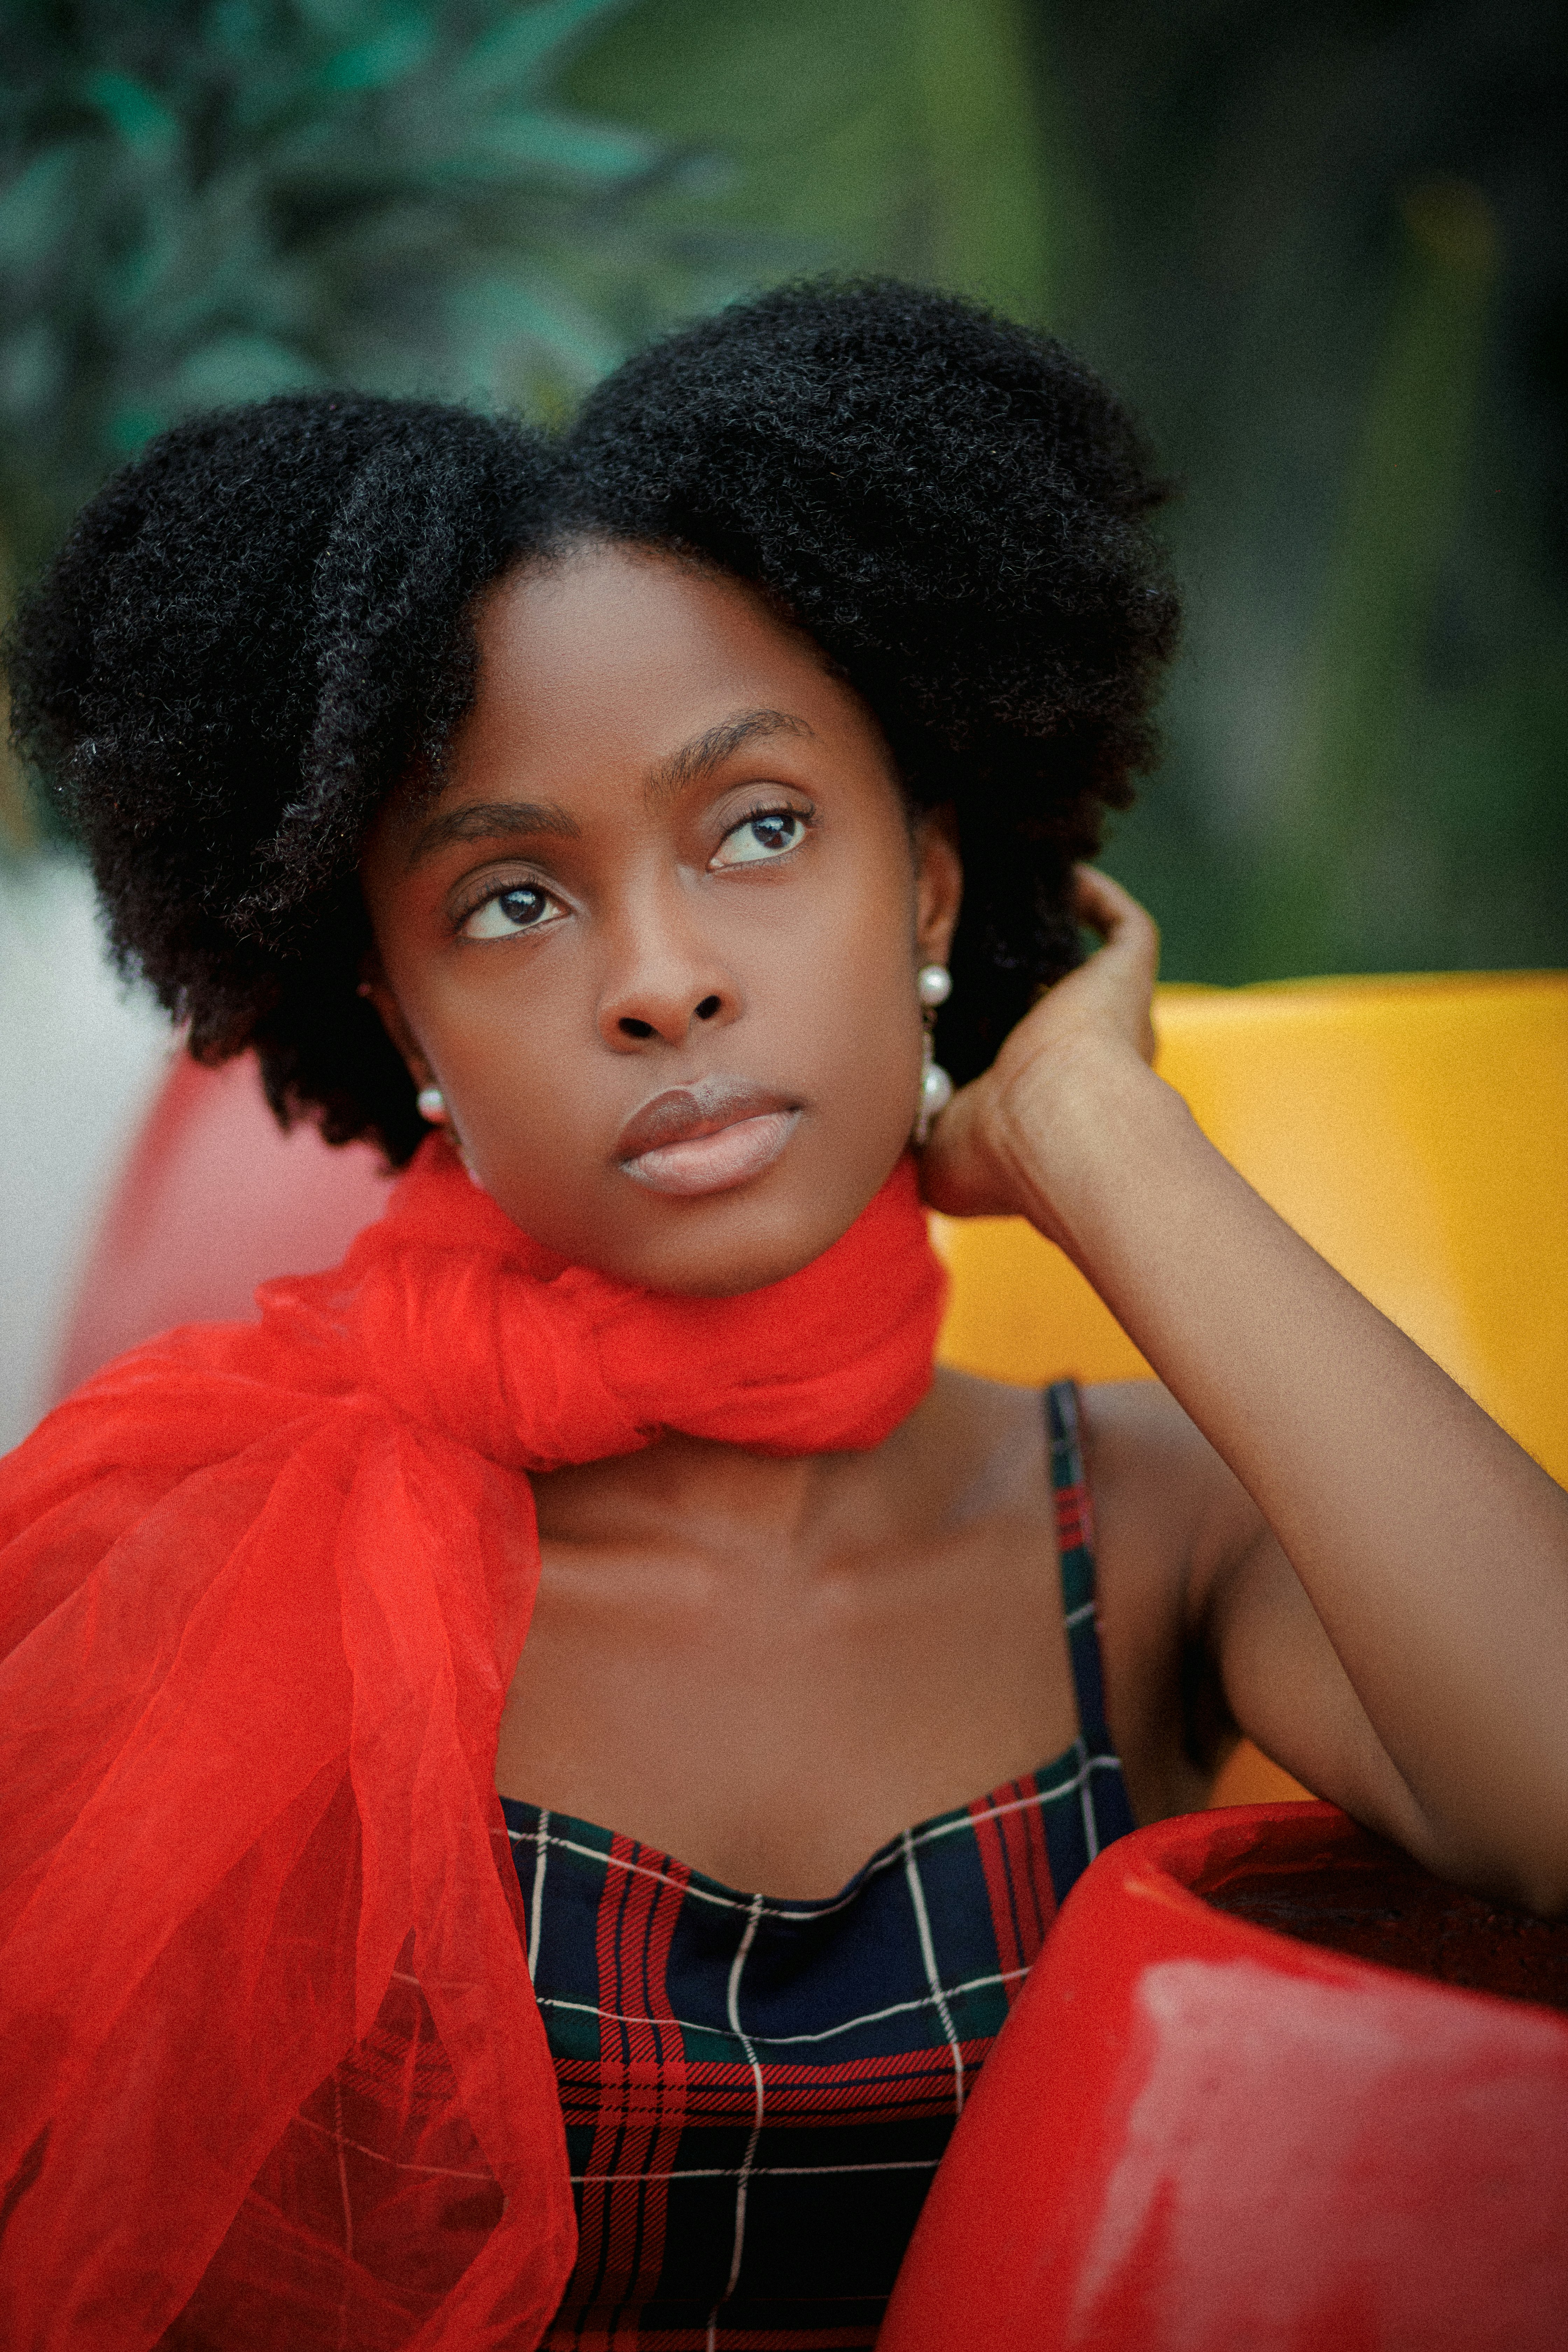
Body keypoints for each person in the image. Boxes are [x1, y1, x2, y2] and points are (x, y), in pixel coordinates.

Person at [2, 282, 1564, 2352]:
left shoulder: (1154, 1521)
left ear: (926, 891)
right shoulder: (227, 1548)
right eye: (512, 900)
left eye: (758, 829)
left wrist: (1109, 1135)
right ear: (400, 1022)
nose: (661, 978)